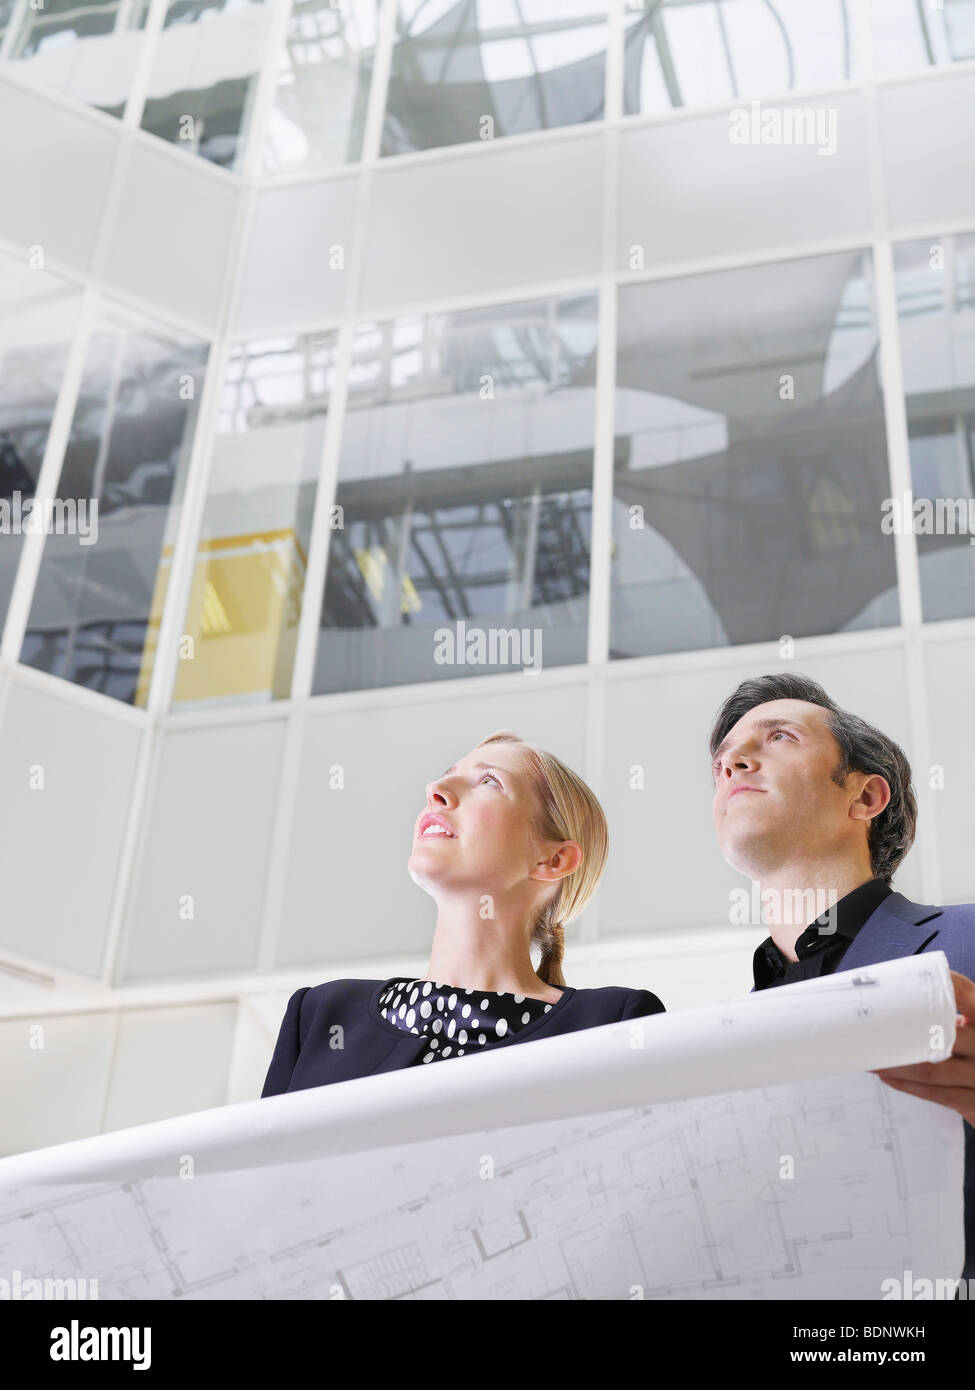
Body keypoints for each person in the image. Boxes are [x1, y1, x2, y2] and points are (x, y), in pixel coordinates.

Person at [709, 672, 975, 1281]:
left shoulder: (969, 939)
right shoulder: (721, 1043)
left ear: (864, 798)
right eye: (722, 762)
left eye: (778, 737)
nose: (733, 763)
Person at [261, 729, 664, 1097]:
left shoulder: (611, 1025)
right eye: (446, 775)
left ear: (553, 859)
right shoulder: (321, 1015)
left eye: (489, 781)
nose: (435, 789)